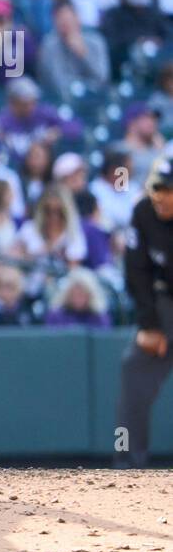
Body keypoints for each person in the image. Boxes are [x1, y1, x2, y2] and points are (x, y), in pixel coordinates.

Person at [117, 158, 173, 468]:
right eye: (156, 188)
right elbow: (137, 274)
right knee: (133, 368)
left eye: (168, 189)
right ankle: (128, 464)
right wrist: (149, 325)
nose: (160, 196)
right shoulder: (142, 212)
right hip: (165, 304)